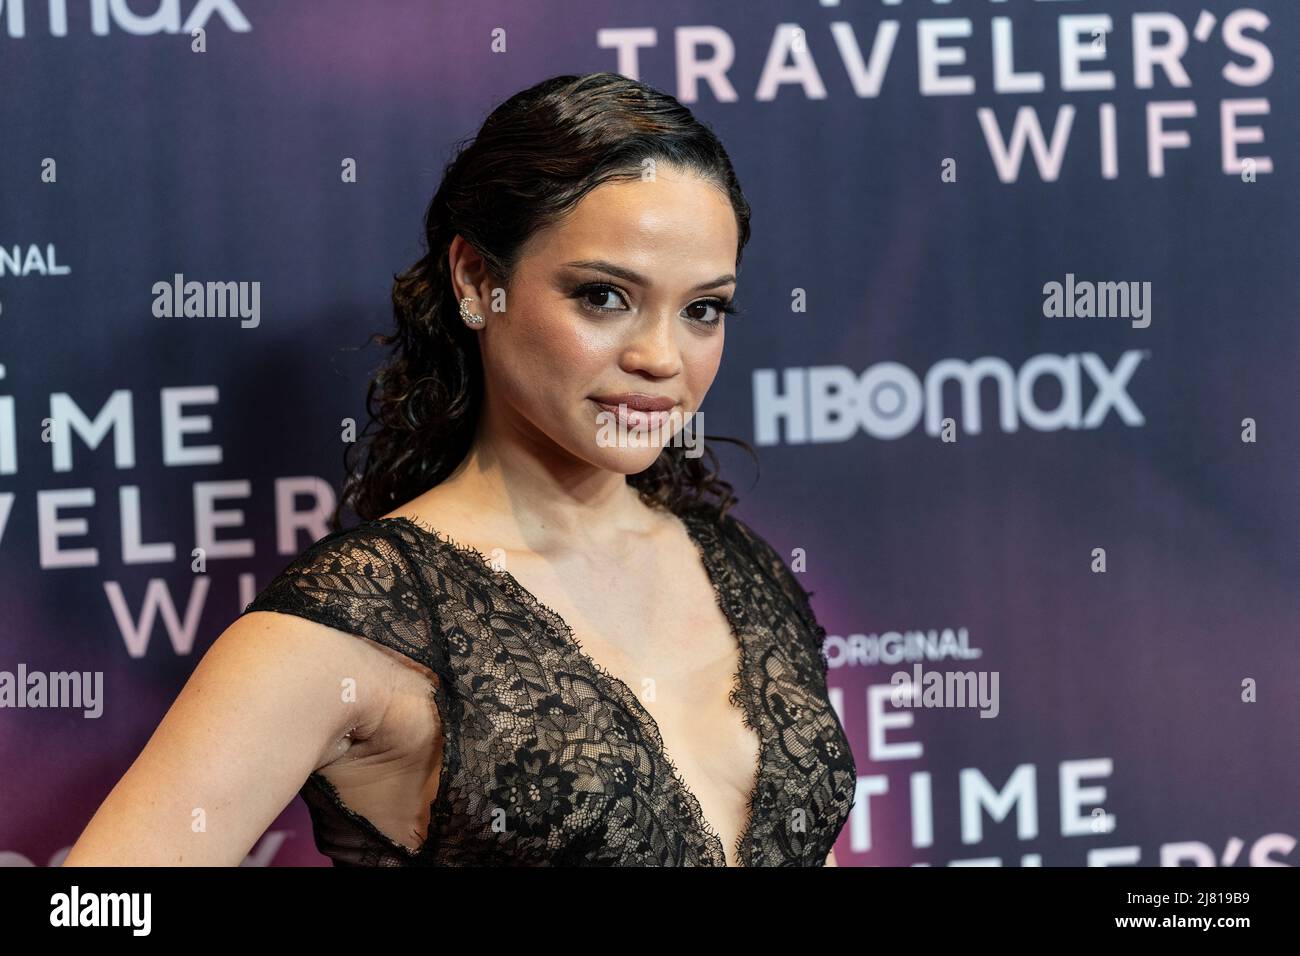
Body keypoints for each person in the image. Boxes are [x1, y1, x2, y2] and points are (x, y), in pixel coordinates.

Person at [63, 72, 856, 867]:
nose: (661, 357)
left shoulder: (744, 572)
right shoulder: (364, 625)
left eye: (703, 309)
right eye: (604, 296)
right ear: (478, 280)